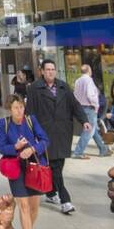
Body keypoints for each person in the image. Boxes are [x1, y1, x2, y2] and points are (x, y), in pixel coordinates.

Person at [22, 59, 84, 214]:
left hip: (63, 132)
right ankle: (65, 200)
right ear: (42, 71)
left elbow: (74, 104)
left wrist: (84, 120)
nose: (50, 72)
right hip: (45, 133)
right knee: (55, 166)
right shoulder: (34, 89)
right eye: (47, 69)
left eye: (52, 69)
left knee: (58, 164)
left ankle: (50, 192)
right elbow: (29, 112)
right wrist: (30, 133)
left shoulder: (63, 86)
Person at [0, 96, 48, 229]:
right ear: (9, 109)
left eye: (21, 107)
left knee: (34, 207)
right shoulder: (3, 124)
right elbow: (1, 147)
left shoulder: (31, 121)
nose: (19, 111)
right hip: (16, 169)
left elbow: (45, 140)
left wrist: (32, 149)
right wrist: (15, 147)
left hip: (34, 166)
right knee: (23, 206)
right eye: (16, 108)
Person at [72, 64, 109, 159]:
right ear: (89, 70)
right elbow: (90, 95)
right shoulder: (89, 80)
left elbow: (75, 95)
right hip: (89, 108)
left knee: (93, 130)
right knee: (89, 130)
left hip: (80, 108)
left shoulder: (77, 81)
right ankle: (78, 152)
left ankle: (103, 149)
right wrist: (96, 105)